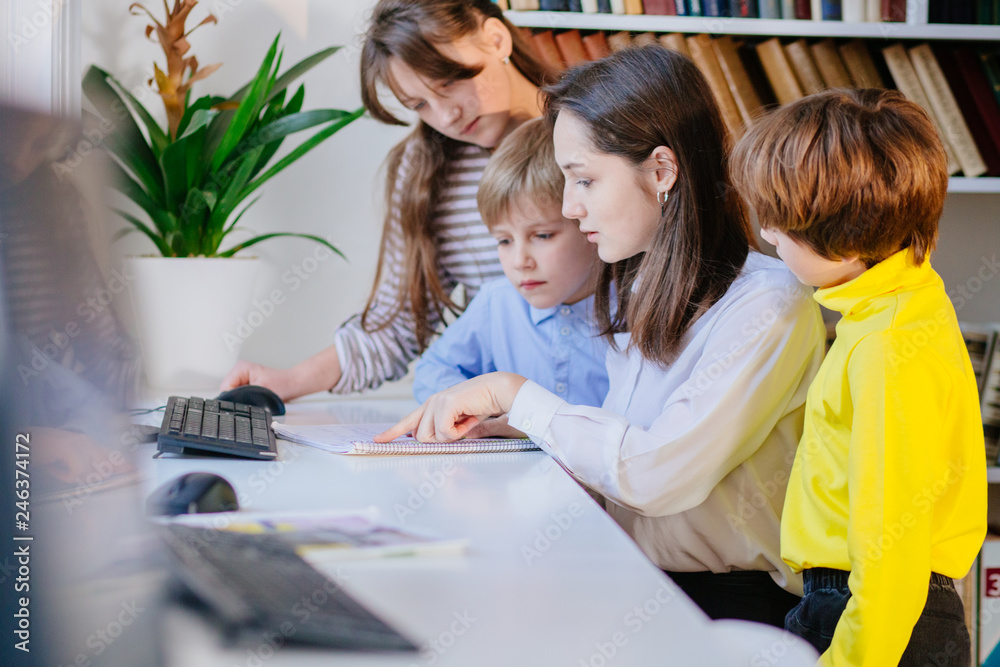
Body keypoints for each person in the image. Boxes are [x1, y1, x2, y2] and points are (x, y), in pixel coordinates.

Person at [378, 46, 826, 627]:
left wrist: (516, 395)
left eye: (584, 179)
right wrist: (514, 430)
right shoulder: (645, 291)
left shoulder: (769, 305)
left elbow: (654, 475)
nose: (570, 205)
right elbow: (621, 459)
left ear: (662, 171)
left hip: (727, 608)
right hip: (634, 577)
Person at [729, 89, 986, 665]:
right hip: (876, 604)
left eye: (777, 225)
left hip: (877, 611)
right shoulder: (907, 298)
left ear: (842, 242)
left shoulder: (887, 347)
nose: (766, 236)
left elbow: (890, 539)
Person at [221, 0, 553, 401]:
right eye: (419, 105)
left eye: (448, 83)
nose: (445, 116)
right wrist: (288, 382)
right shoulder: (426, 167)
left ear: (496, 38)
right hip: (502, 419)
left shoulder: (595, 133)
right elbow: (398, 325)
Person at [413, 118, 607, 406]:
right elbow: (431, 371)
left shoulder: (641, 307)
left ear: (589, 222)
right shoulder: (497, 303)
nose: (520, 262)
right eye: (504, 241)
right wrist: (480, 405)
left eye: (542, 235)